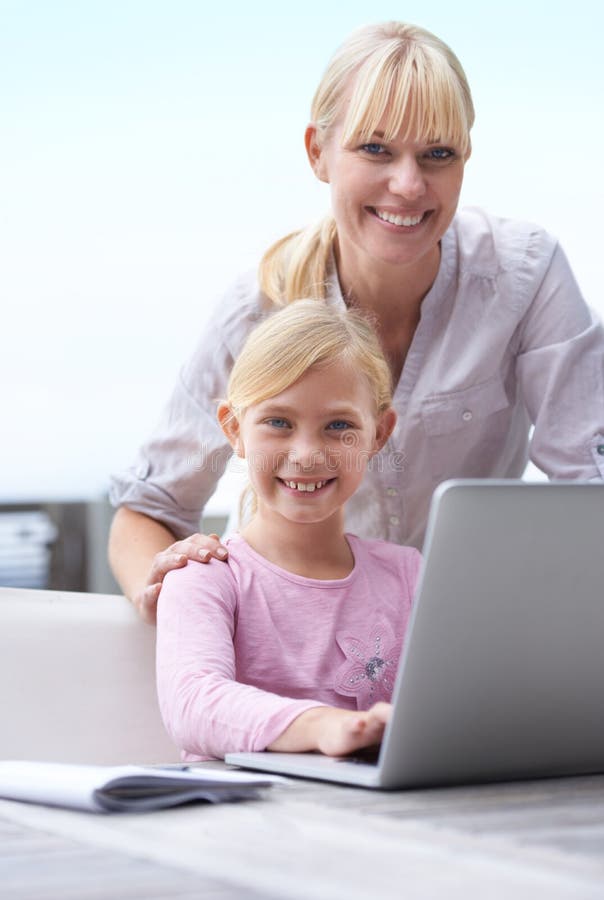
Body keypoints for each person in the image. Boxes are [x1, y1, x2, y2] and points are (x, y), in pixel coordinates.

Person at [109, 21, 604, 623]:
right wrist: (186, 615)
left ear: (465, 159)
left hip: (469, 629)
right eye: (375, 149)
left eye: (438, 154)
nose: (409, 185)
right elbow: (148, 511)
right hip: (294, 636)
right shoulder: (256, 309)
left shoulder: (527, 276)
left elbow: (591, 490)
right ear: (318, 151)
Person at [156, 300, 421, 759]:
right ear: (234, 429)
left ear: (379, 434)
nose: (307, 454)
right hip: (240, 804)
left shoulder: (409, 575)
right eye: (278, 422)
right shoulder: (205, 577)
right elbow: (192, 704)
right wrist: (321, 726)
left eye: (339, 426)